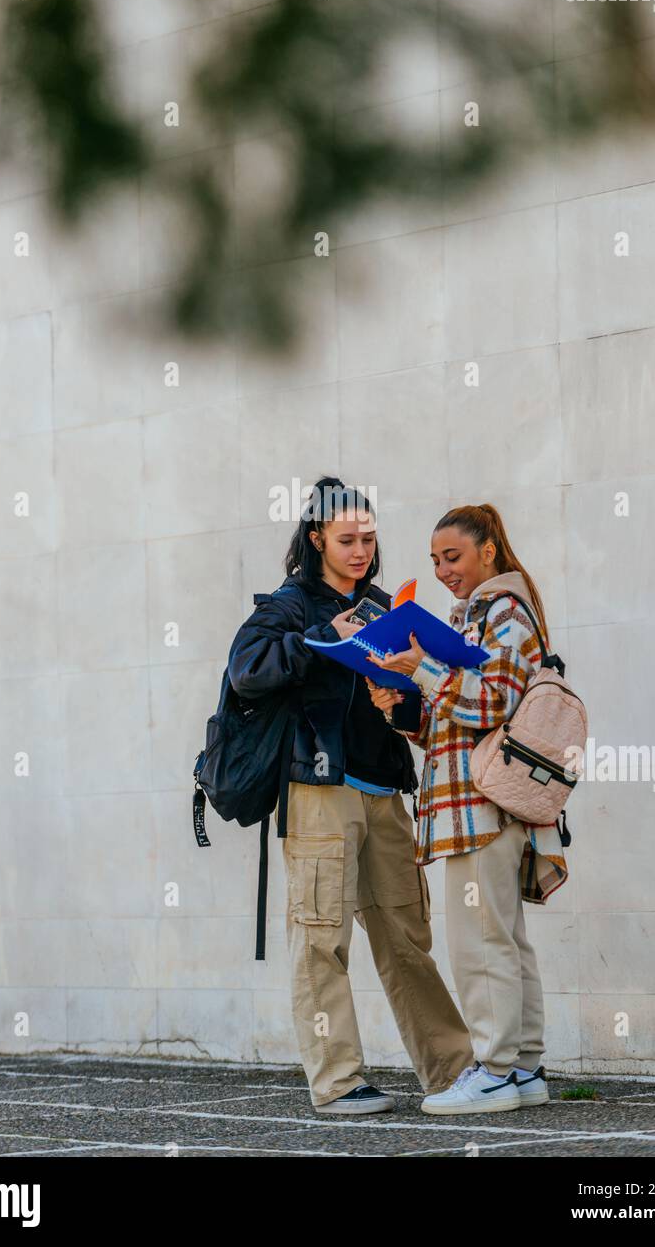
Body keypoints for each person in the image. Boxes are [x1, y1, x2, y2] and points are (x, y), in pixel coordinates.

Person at [227, 477, 472, 1114]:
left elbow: (411, 708)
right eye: (347, 540)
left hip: (383, 788)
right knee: (320, 939)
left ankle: (452, 1073)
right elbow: (246, 672)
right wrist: (318, 641)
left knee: (405, 940)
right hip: (318, 789)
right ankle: (338, 1082)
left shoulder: (388, 607)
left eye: (368, 539)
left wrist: (405, 692)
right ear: (317, 540)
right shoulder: (288, 605)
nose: (361, 551)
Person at [365, 503, 568, 1115]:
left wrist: (422, 668)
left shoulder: (503, 609)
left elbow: (495, 702)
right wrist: (400, 702)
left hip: (482, 807)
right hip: (474, 801)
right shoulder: (471, 616)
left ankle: (496, 1070)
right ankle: (524, 1069)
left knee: (480, 943)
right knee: (501, 938)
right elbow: (452, 725)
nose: (443, 570)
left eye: (452, 556)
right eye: (434, 561)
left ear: (488, 550)